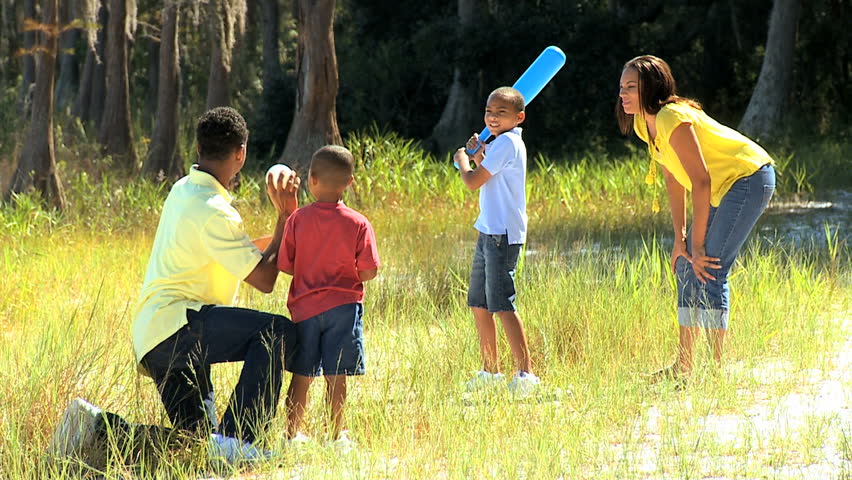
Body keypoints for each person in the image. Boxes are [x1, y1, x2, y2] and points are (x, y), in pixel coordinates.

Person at [50, 107, 301, 467]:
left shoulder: (184, 190)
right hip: (180, 328)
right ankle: (243, 442)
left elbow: (242, 251)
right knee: (277, 332)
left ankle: (95, 429)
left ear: (197, 147)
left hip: (155, 336)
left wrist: (281, 232)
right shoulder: (215, 209)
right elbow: (264, 279)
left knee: (198, 447)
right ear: (241, 154)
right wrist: (286, 217)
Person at [616, 55, 776, 380]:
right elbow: (674, 176)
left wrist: (699, 244)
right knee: (687, 267)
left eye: (631, 87)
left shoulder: (671, 117)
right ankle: (685, 367)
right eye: (621, 87)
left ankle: (716, 373)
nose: (623, 94)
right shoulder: (643, 124)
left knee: (709, 266)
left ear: (651, 87)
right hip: (720, 187)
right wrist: (681, 239)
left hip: (747, 176)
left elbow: (700, 180)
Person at [278, 145, 380, 448]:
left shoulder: (297, 220)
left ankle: (292, 434)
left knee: (302, 373)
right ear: (349, 182)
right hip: (345, 309)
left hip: (305, 310)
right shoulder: (359, 223)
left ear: (311, 180)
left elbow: (285, 265)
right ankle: (337, 436)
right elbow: (369, 271)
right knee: (337, 376)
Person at [452, 86, 540, 394]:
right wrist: (477, 154)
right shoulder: (501, 143)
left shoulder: (507, 143)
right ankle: (490, 372)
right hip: (488, 230)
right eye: (489, 111)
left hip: (502, 234)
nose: (492, 117)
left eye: (501, 113)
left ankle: (526, 375)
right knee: (479, 302)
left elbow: (473, 181)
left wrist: (463, 159)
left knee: (502, 304)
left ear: (519, 117)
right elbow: (487, 170)